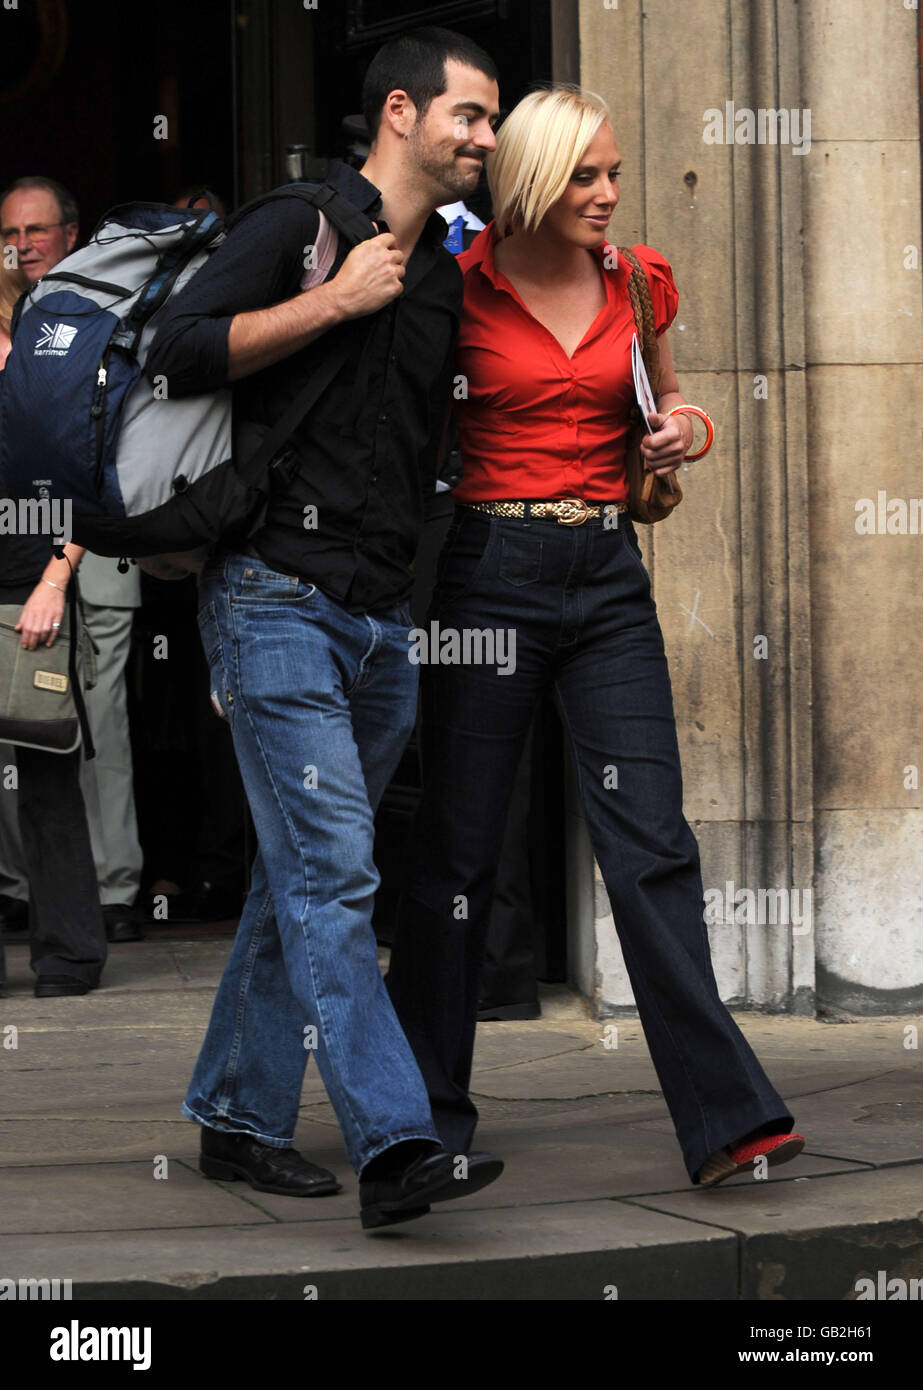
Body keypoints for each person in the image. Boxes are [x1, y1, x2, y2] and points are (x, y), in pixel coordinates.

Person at [386, 85, 806, 1190]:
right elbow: (399, 443)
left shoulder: (633, 279)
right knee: (459, 853)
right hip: (489, 572)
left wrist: (686, 435)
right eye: (584, 177)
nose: (609, 195)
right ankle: (418, 1122)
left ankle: (726, 1119)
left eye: (612, 172)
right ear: (529, 180)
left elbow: (666, 411)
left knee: (652, 842)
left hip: (606, 571)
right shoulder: (456, 287)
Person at [145, 28, 507, 1229]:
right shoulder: (298, 224)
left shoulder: (447, 273)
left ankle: (238, 1114)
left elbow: (427, 457)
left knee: (294, 877)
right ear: (400, 113)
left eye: (495, 120)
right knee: (336, 871)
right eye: (470, 115)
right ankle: (397, 1141)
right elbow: (177, 348)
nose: (485, 138)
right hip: (272, 595)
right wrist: (332, 301)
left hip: (376, 630)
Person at [0, 176, 144, 945]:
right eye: (11, 233)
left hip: (94, 551)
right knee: (18, 730)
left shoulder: (100, 303)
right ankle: (29, 889)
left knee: (99, 729)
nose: (22, 244)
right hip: (16, 554)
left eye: (37, 231)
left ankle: (115, 889)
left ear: (72, 233)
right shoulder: (9, 323)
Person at [0, 259, 108, 997]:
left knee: (46, 779)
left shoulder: (36, 375)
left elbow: (84, 480)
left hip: (24, 593)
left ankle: (68, 956)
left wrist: (54, 579)